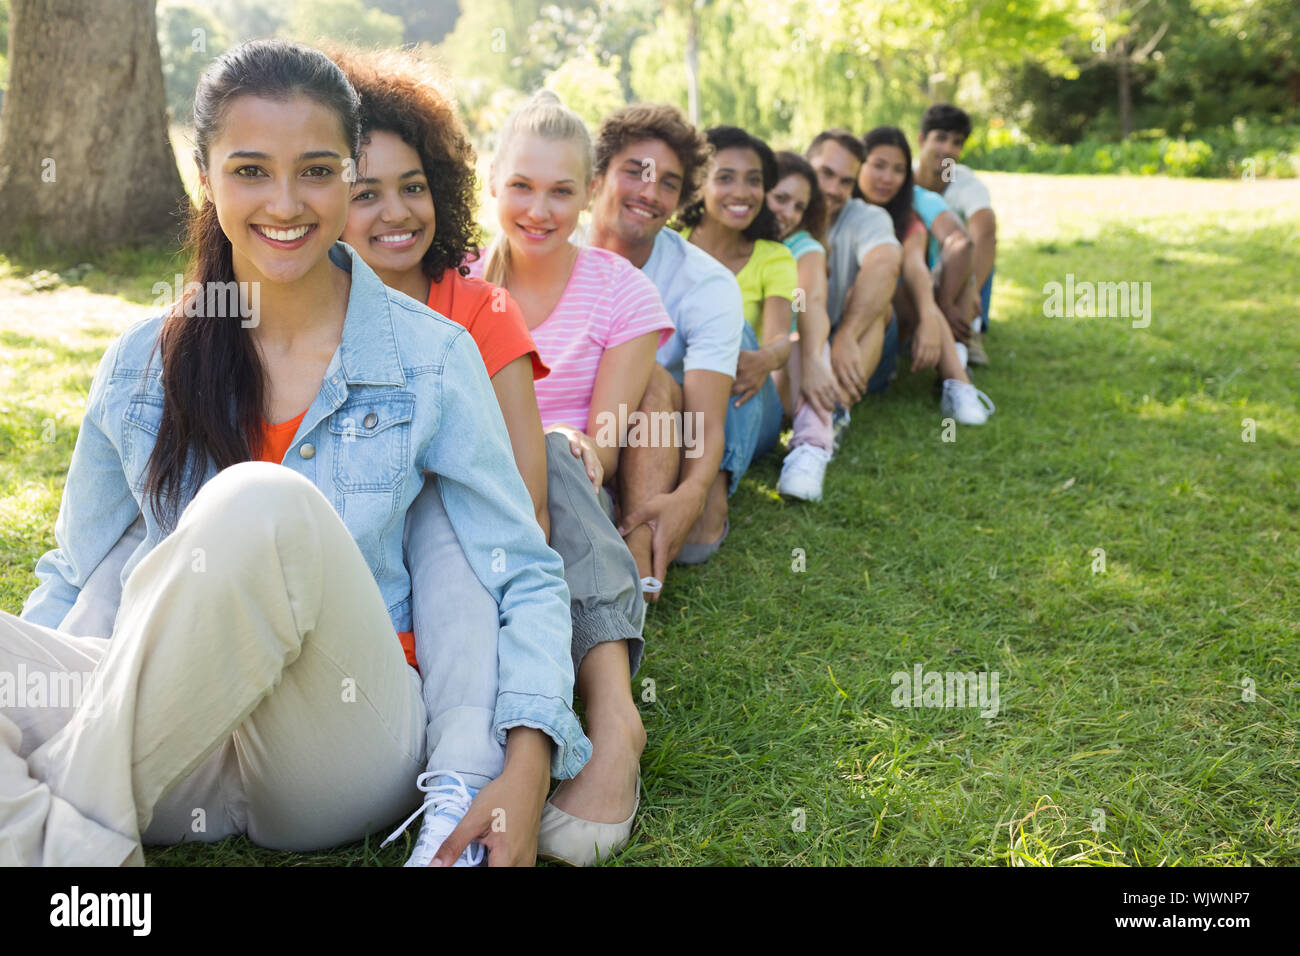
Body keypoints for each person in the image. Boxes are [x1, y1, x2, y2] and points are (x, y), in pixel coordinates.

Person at [0, 39, 587, 868]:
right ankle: (51, 834)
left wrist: (525, 770)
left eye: (315, 170)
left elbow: (523, 572)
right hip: (170, 740)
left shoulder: (431, 358)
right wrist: (20, 712)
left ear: (349, 173)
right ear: (205, 176)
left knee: (259, 502)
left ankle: (68, 848)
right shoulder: (141, 364)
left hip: (335, 747)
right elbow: (71, 571)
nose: (286, 201)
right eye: (250, 171)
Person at [333, 50, 650, 866]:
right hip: (363, 564)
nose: (397, 211)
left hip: (503, 532)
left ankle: (611, 715)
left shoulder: (477, 302)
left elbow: (525, 522)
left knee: (540, 471)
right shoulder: (316, 306)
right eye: (364, 192)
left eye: (413, 187)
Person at [467, 90, 677, 861]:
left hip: (564, 485)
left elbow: (605, 448)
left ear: (591, 193)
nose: (539, 209)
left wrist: (547, 434)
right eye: (522, 185)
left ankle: (616, 717)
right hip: (469, 484)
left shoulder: (622, 290)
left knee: (555, 451)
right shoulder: (454, 281)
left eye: (562, 190)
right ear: (492, 181)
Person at [587, 103, 748, 596]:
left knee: (698, 540)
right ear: (597, 177)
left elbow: (705, 418)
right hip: (576, 428)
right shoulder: (550, 246)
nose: (649, 193)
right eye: (635, 173)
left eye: (668, 184)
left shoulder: (706, 283)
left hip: (657, 424)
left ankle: (638, 557)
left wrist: (694, 492)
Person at [675, 125, 795, 499]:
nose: (742, 193)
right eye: (725, 178)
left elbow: (780, 339)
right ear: (699, 185)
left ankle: (713, 492)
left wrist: (765, 358)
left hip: (748, 399)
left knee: (731, 320)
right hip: (680, 397)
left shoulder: (775, 257)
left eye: (754, 180)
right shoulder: (670, 246)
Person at [856, 126, 994, 425]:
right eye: (878, 166)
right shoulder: (842, 207)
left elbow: (916, 264)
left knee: (903, 287)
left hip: (889, 317)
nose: (887, 178)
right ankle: (955, 363)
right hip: (842, 318)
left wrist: (934, 312)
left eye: (898, 170)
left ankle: (958, 383)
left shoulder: (909, 214)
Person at [804, 129, 902, 427]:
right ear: (806, 165)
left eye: (846, 181)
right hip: (798, 341)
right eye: (826, 174)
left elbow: (884, 264)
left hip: (851, 342)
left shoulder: (867, 216)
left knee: (880, 309)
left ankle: (832, 415)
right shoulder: (781, 209)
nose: (833, 189)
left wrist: (847, 333)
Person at [765, 150, 844, 500]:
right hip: (726, 376)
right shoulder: (730, 240)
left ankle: (812, 446)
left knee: (801, 339)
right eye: (780, 198)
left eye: (799, 207)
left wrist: (812, 358)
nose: (788, 214)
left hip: (781, 375)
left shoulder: (803, 246)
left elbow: (810, 298)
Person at [913, 104, 997, 366]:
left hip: (956, 269)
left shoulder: (963, 183)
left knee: (967, 248)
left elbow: (984, 231)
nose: (948, 149)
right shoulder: (902, 178)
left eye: (957, 142)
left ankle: (965, 337)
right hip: (918, 263)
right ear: (921, 139)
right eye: (940, 138)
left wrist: (973, 289)